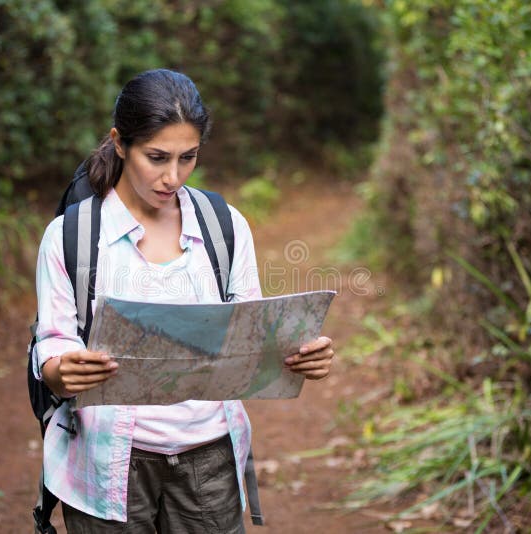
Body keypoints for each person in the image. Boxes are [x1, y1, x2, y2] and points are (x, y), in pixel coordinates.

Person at [33, 68, 335, 533]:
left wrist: (295, 354)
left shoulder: (223, 225)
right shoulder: (71, 236)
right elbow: (53, 345)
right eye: (156, 157)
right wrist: (62, 370)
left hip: (209, 461)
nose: (172, 177)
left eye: (187, 157)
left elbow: (249, 330)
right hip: (108, 460)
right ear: (119, 143)